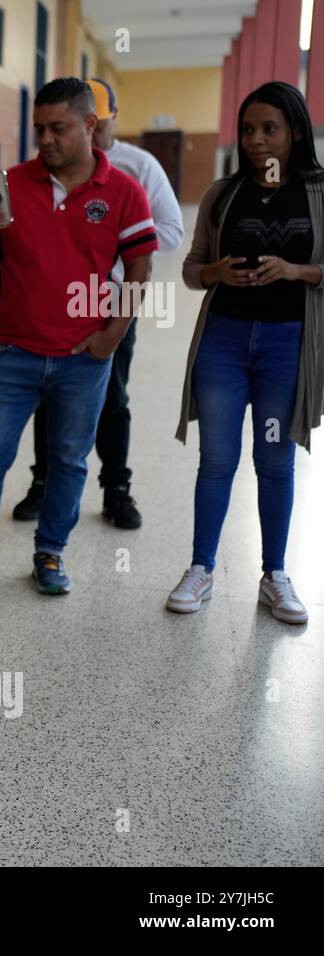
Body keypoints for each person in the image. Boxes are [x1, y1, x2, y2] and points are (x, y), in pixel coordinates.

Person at [0, 77, 158, 600]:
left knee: (68, 460)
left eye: (58, 128)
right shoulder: (10, 183)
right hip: (12, 352)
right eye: (39, 128)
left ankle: (50, 551)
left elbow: (140, 267)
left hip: (84, 358)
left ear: (90, 125)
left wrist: (111, 338)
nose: (45, 139)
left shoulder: (123, 191)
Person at [166, 81, 324, 624]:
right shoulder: (221, 195)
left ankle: (274, 575)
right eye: (248, 130)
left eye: (269, 130)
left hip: (287, 344)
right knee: (216, 459)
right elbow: (190, 270)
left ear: (296, 132)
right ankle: (200, 568)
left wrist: (297, 270)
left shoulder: (317, 193)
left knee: (274, 459)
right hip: (225, 342)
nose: (256, 141)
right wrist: (214, 272)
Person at [13, 77, 186, 529]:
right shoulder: (50, 166)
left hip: (110, 299)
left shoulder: (138, 167)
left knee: (113, 396)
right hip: (55, 302)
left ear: (105, 118)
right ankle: (42, 483)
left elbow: (169, 230)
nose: (95, 132)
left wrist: (114, 257)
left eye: (102, 123)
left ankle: (116, 489)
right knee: (48, 396)